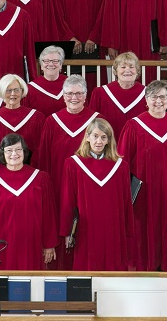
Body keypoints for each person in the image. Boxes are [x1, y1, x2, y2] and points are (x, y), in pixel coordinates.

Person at [118, 81, 167, 271]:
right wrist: (123, 196)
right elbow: (122, 164)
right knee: (145, 231)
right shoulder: (133, 126)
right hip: (144, 194)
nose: (158, 101)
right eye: (154, 97)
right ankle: (147, 266)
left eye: (163, 96)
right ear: (146, 100)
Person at [38, 74, 100, 269]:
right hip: (58, 185)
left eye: (79, 93)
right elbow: (44, 158)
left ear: (85, 95)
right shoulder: (52, 122)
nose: (74, 98)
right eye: (69, 94)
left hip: (88, 188)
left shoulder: (97, 121)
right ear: (63, 96)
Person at [0, 134, 59, 270]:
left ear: (24, 151)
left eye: (18, 150)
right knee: (0, 286)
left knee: (30, 284)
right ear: (2, 153)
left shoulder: (41, 178)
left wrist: (49, 244)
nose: (14, 154)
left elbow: (48, 214)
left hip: (31, 244)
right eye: (9, 150)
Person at [60, 118, 133, 271]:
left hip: (114, 228)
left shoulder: (121, 166)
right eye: (95, 136)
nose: (99, 141)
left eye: (103, 137)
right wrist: (67, 232)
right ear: (87, 137)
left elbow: (126, 201)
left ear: (109, 140)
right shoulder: (73, 164)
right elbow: (68, 201)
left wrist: (127, 231)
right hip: (86, 229)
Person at [0, 74, 46, 167]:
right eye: (8, 90)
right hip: (2, 173)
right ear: (2, 92)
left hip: (31, 171)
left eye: (17, 90)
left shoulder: (36, 117)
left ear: (22, 91)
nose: (13, 94)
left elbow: (41, 149)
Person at [88, 52, 147, 141]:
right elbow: (93, 124)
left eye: (131, 67)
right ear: (115, 71)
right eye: (123, 67)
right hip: (108, 147)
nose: (127, 70)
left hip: (139, 146)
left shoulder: (148, 94)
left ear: (137, 71)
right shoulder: (100, 93)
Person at [24, 45, 69, 117]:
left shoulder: (71, 85)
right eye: (46, 61)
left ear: (61, 65)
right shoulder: (30, 89)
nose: (51, 64)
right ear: (41, 65)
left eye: (55, 61)